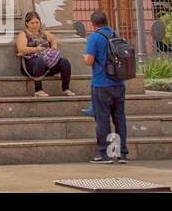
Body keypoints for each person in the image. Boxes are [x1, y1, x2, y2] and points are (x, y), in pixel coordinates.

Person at [84, 10, 128, 164]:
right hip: (119, 83)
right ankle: (121, 153)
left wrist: (85, 57)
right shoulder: (116, 35)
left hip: (101, 83)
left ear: (93, 24)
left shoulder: (94, 37)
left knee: (102, 119)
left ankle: (104, 153)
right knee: (119, 119)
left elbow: (89, 60)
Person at [15, 11, 75, 97]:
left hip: (47, 64)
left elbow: (53, 39)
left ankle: (66, 88)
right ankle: (38, 90)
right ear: (27, 23)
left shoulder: (44, 33)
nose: (35, 25)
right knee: (39, 61)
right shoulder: (23, 34)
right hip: (30, 65)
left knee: (64, 62)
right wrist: (36, 49)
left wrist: (53, 48)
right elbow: (21, 48)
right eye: (32, 23)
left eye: (37, 22)